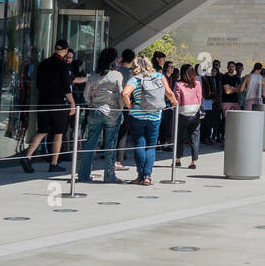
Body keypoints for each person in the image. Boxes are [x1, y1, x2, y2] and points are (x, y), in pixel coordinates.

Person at [21, 39, 75, 174]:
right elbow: (66, 87)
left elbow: (38, 84)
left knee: (42, 131)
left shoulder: (44, 63)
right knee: (58, 133)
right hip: (57, 103)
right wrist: (72, 103)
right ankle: (54, 163)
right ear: (65, 51)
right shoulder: (62, 65)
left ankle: (28, 156)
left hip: (43, 101)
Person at [122, 55, 177, 186]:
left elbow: (124, 93)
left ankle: (140, 176)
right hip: (155, 116)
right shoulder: (159, 76)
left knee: (139, 145)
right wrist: (174, 102)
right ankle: (147, 176)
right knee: (151, 147)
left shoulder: (135, 79)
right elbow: (169, 92)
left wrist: (130, 105)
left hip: (137, 117)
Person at [77, 47, 125, 183]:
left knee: (90, 143)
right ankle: (109, 175)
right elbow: (122, 95)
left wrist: (93, 103)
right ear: (113, 60)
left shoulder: (93, 75)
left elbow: (86, 95)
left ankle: (83, 175)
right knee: (110, 144)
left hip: (95, 111)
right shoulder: (116, 75)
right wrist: (121, 109)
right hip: (112, 112)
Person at [175, 63, 203, 168]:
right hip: (195, 113)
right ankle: (193, 162)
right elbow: (200, 98)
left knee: (179, 137)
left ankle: (178, 159)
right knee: (195, 137)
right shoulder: (197, 84)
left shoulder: (179, 85)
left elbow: (177, 100)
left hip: (182, 113)